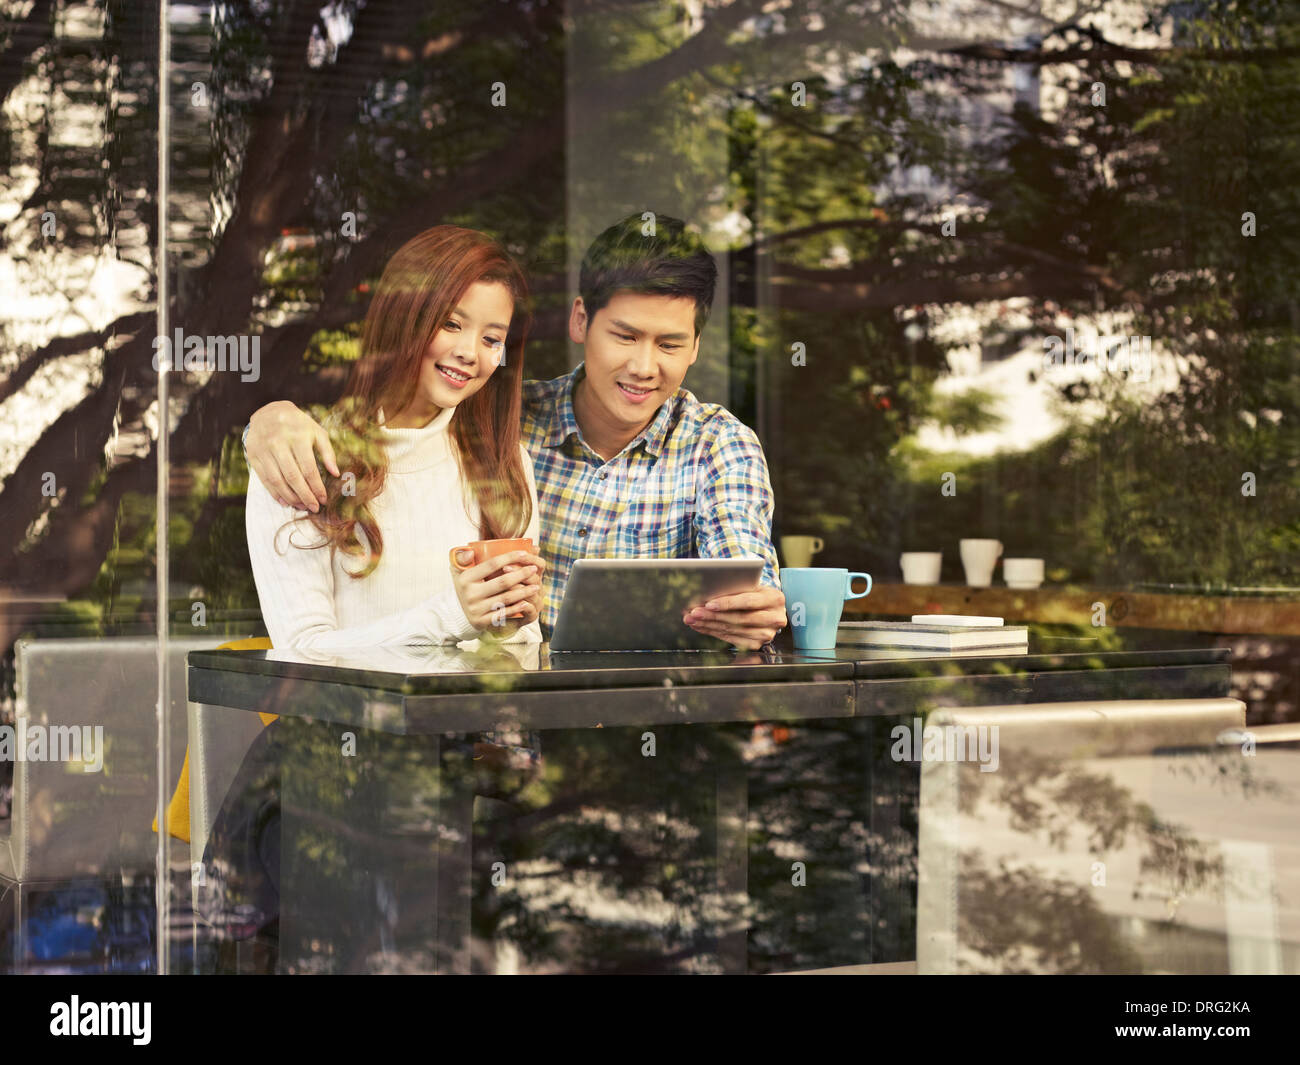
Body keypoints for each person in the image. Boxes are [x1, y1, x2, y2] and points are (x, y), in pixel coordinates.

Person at [199, 226, 545, 968]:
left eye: (492, 336)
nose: (469, 352)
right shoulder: (304, 459)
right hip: (335, 787)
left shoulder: (501, 461)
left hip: (464, 784)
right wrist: (451, 615)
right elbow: (303, 657)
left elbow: (513, 649)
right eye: (451, 323)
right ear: (402, 317)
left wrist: (518, 625)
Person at [245, 213, 787, 648]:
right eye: (625, 336)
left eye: (669, 344)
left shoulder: (503, 450)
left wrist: (753, 611)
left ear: (695, 347)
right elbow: (302, 651)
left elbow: (745, 569)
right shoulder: (508, 427)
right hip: (463, 741)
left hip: (618, 724)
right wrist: (267, 417)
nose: (644, 366)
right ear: (580, 322)